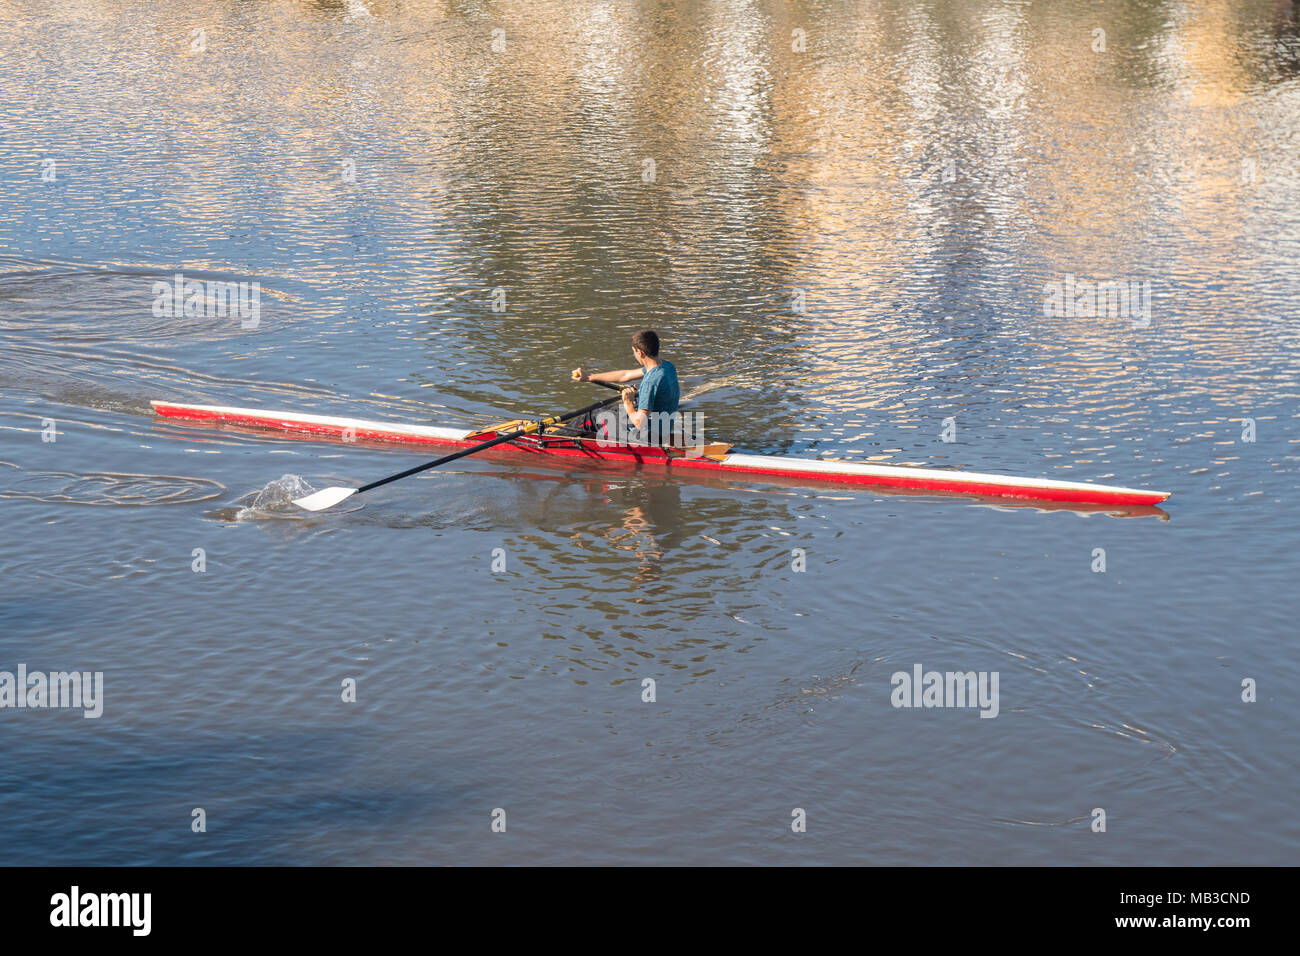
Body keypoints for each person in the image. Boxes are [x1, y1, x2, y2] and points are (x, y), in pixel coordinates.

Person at [572, 329, 680, 442]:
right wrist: (589, 377)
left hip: (644, 437)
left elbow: (639, 423)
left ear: (640, 353)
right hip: (662, 429)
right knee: (607, 409)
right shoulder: (667, 367)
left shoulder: (650, 382)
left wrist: (628, 402)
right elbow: (625, 375)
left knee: (592, 416)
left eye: (634, 351)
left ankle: (554, 438)